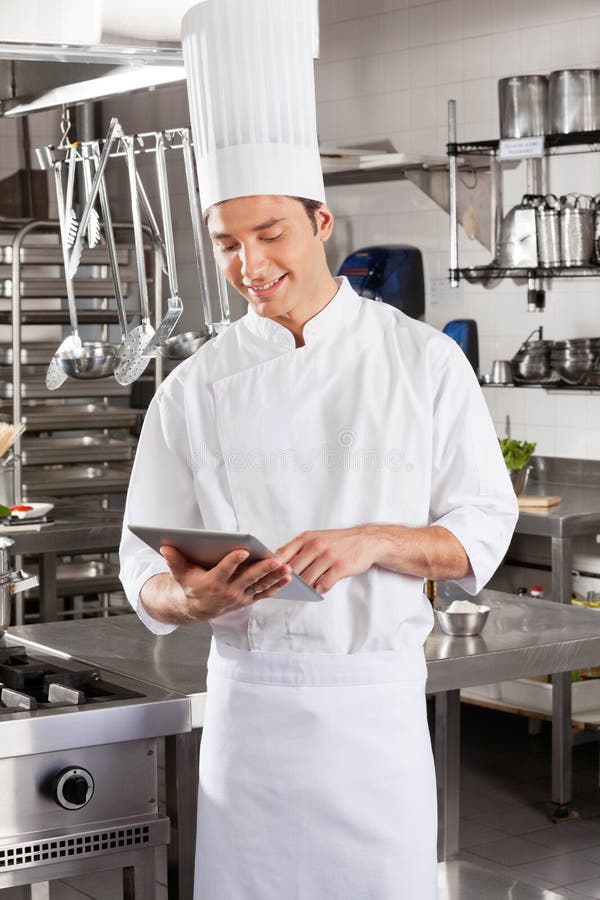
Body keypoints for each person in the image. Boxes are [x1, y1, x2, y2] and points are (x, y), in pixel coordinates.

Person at [119, 2, 519, 898]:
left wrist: (374, 539)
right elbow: (141, 570)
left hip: (372, 718)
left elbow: (480, 531)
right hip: (250, 719)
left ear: (321, 224)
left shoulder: (420, 361)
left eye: (271, 236)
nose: (249, 264)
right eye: (227, 243)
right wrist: (188, 595)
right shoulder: (192, 387)